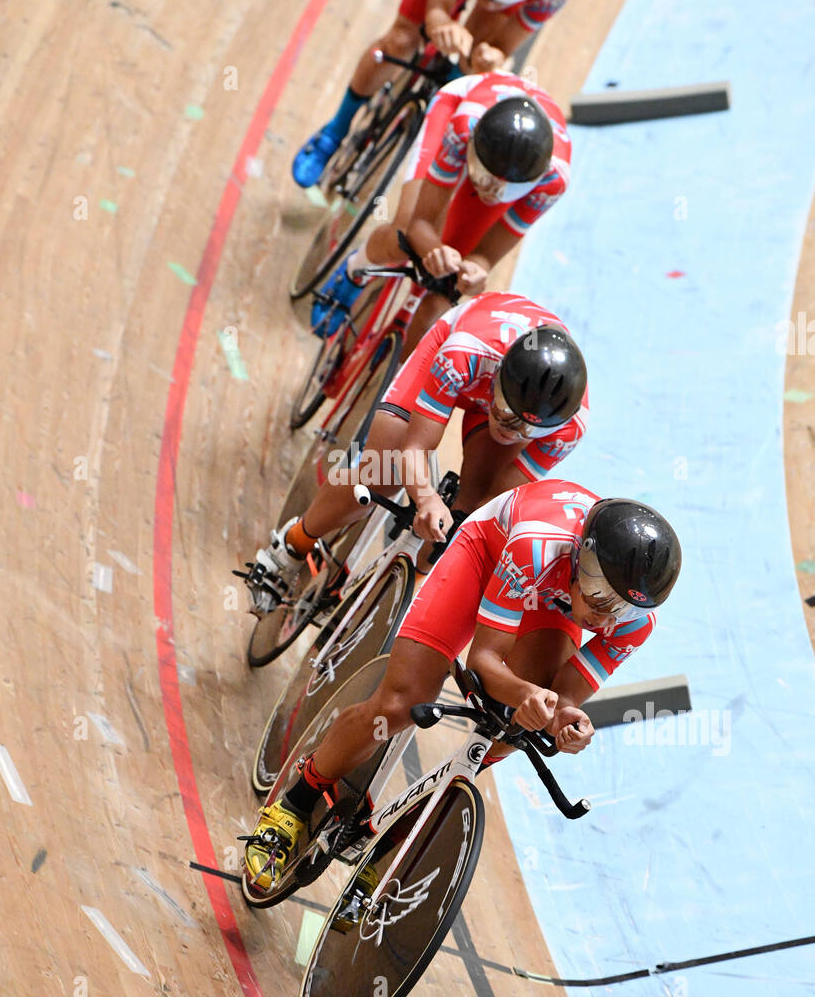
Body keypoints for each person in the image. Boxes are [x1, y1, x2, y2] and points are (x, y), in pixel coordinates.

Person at [245, 481, 682, 888]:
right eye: (602, 601)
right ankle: (296, 800)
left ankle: (390, 847)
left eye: (621, 612)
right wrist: (527, 694)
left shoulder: (634, 623)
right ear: (581, 563)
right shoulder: (538, 547)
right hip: (490, 556)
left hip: (548, 603)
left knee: (515, 729)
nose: (605, 622)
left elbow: (564, 696)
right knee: (401, 703)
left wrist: (563, 717)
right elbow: (484, 661)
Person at [246, 290, 589, 615]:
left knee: (469, 510)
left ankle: (394, 599)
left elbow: (498, 500)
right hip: (468, 360)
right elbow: (414, 449)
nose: (510, 428)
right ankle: (291, 545)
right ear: (497, 380)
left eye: (525, 430)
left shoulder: (570, 428)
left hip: (502, 384)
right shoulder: (464, 353)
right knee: (382, 473)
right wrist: (425, 498)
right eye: (503, 412)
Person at [292, 0, 574, 188]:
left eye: (498, 0)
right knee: (402, 40)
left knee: (469, 66)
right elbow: (436, 12)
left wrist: (488, 57)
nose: (488, 3)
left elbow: (501, 49)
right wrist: (440, 24)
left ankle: (433, 108)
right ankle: (335, 130)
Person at [309, 73, 571, 341]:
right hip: (458, 105)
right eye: (483, 180)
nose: (491, 192)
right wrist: (432, 249)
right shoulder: (461, 129)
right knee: (403, 236)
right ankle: (354, 271)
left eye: (505, 191)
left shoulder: (553, 182)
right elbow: (419, 224)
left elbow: (487, 255)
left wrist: (476, 271)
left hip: (500, 151)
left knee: (446, 292)